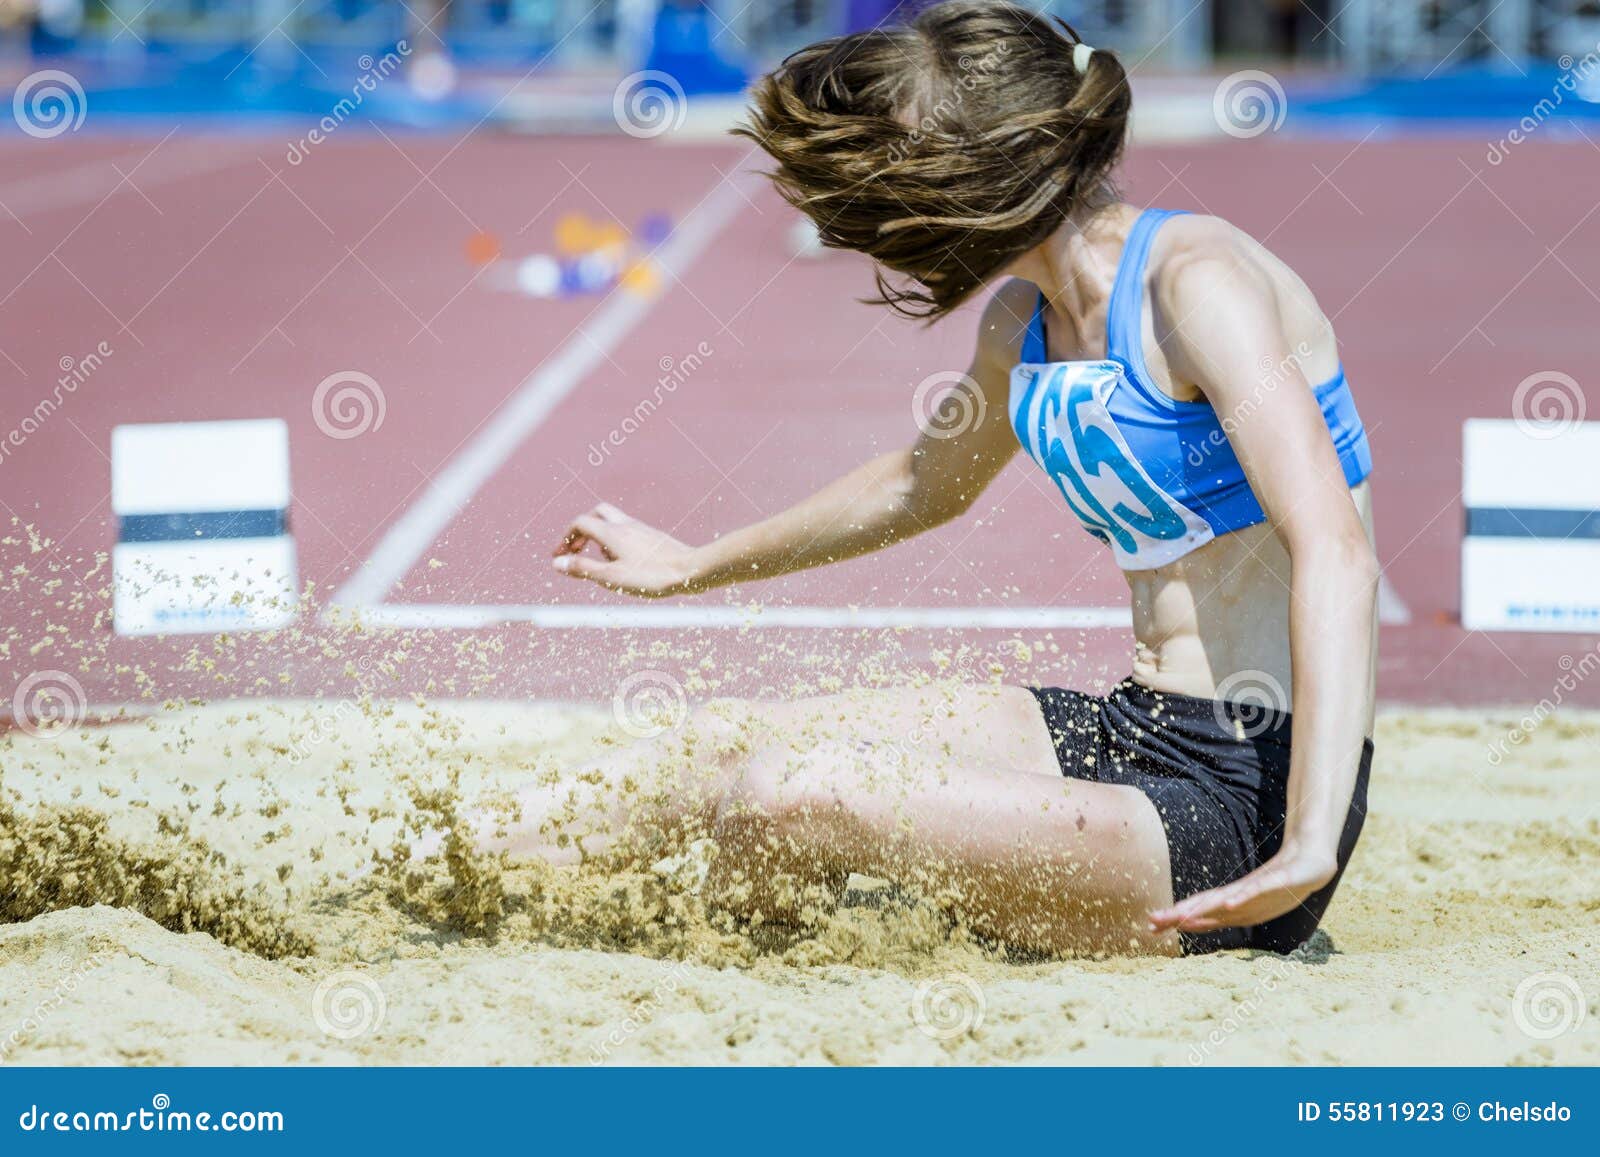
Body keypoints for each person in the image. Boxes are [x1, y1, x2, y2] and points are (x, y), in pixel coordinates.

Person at [495, 0, 1378, 956]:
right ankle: (452, 871)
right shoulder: (1021, 321)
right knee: (717, 742)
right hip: (1132, 729)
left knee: (794, 795)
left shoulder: (1196, 285)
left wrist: (1309, 840)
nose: (883, 205)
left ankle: (703, 954)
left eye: (907, 166)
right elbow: (920, 486)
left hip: (1242, 810)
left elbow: (1335, 548)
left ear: (996, 163)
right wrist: (692, 564)